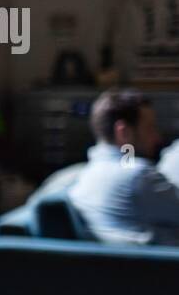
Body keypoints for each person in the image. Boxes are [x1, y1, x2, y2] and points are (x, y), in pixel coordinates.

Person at [67, 89, 179, 245]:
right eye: (149, 128)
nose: (157, 138)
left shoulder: (85, 176)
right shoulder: (139, 176)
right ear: (124, 132)